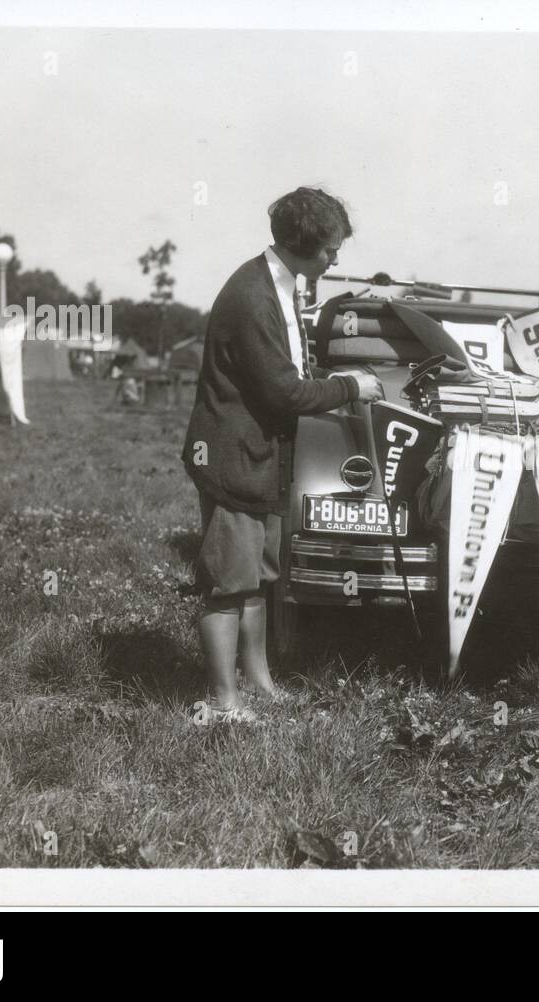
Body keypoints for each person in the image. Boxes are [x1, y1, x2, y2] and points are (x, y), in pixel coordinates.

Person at [181, 187, 382, 723]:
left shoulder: (281, 285)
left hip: (260, 456)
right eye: (330, 249)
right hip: (232, 457)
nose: (335, 259)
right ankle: (223, 702)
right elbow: (285, 393)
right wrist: (351, 387)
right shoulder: (252, 297)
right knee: (229, 585)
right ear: (300, 243)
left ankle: (261, 684)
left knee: (261, 578)